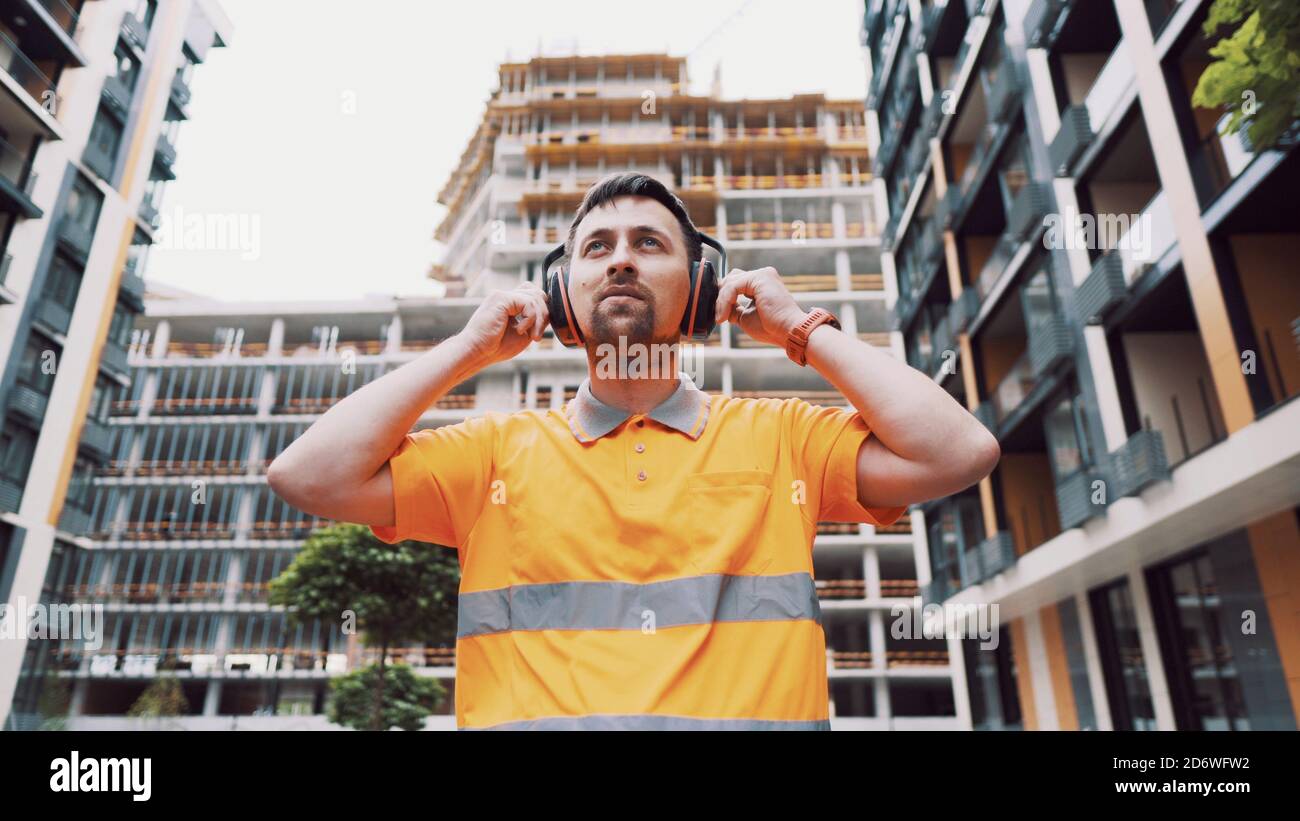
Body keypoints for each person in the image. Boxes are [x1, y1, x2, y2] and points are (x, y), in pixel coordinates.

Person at [269, 172, 999, 730]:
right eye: (598, 248)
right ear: (563, 296)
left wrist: (800, 329)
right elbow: (308, 475)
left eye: (648, 245)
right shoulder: (491, 455)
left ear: (700, 289)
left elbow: (959, 451)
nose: (621, 262)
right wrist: (468, 350)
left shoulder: (784, 438)